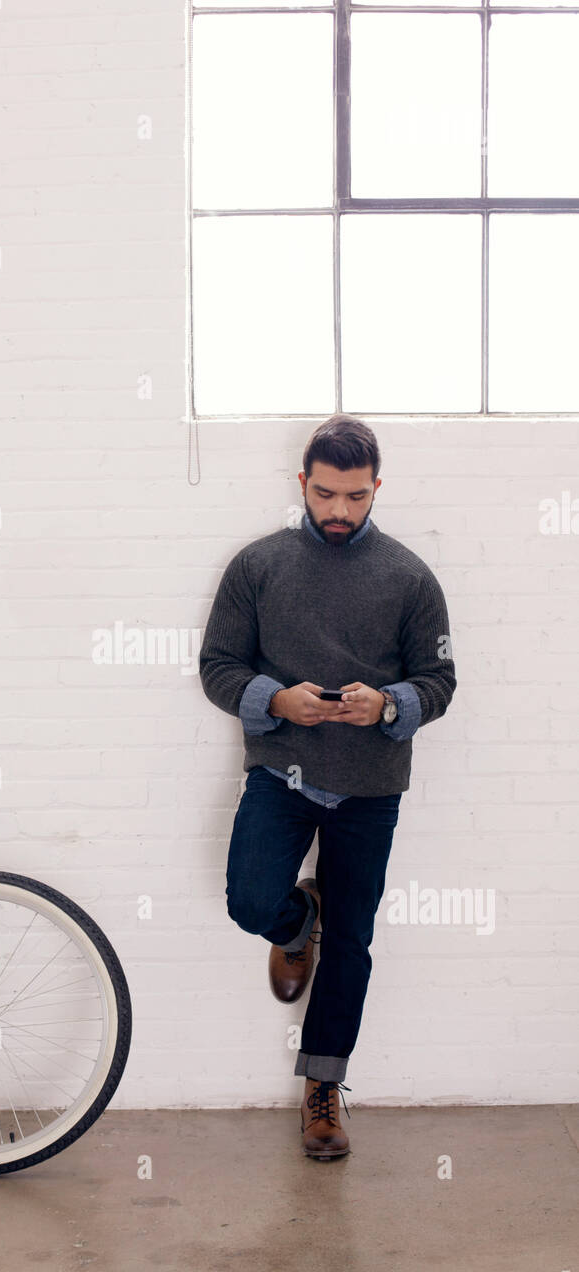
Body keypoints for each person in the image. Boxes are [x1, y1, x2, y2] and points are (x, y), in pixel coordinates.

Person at [198, 414, 457, 1160]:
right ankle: (293, 922)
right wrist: (276, 700)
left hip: (370, 787)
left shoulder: (410, 577)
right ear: (302, 484)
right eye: (324, 494)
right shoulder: (258, 565)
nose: (339, 510)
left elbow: (439, 681)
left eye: (355, 495)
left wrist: (390, 706)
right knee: (249, 901)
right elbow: (218, 666)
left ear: (377, 488)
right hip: (281, 773)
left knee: (352, 941)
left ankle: (323, 1090)